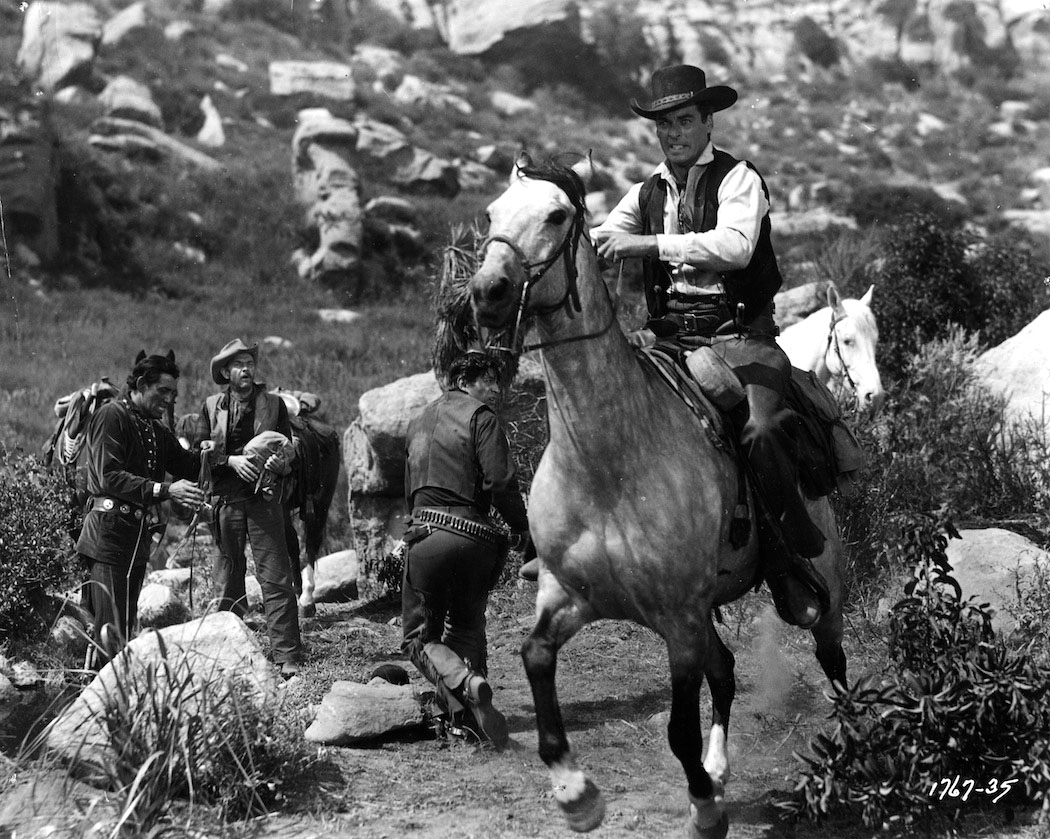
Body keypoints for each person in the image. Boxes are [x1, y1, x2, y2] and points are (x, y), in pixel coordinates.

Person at [590, 64, 829, 628]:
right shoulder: (647, 189)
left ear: (707, 121)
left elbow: (735, 247)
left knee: (762, 429)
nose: (672, 134)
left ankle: (788, 555)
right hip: (671, 337)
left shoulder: (739, 178)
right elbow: (605, 234)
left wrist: (646, 243)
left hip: (739, 335)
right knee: (603, 408)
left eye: (683, 121)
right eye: (663, 125)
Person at [400, 352, 529, 748]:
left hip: (426, 534)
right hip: (476, 539)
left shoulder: (417, 421)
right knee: (467, 625)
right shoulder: (482, 417)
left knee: (419, 640)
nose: (495, 390)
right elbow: (500, 483)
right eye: (491, 381)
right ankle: (468, 720)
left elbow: (410, 490)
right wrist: (522, 527)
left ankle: (464, 684)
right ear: (467, 381)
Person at [77, 351, 207, 666]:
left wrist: (226, 458)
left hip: (134, 540)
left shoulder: (155, 429)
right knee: (110, 634)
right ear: (139, 384)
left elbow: (189, 464)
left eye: (173, 394)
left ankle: (110, 702)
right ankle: (100, 704)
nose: (169, 400)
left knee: (122, 630)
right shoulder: (112, 415)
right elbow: (110, 477)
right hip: (107, 538)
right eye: (163, 391)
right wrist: (165, 489)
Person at [200, 339, 304, 677]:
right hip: (226, 501)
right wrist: (230, 460)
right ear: (226, 372)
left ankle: (286, 655)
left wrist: (278, 462)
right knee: (226, 578)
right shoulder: (211, 406)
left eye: (249, 363)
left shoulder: (274, 405)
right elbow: (202, 454)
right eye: (238, 364)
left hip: (264, 501)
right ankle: (228, 653)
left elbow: (290, 451)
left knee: (275, 577)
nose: (246, 369)